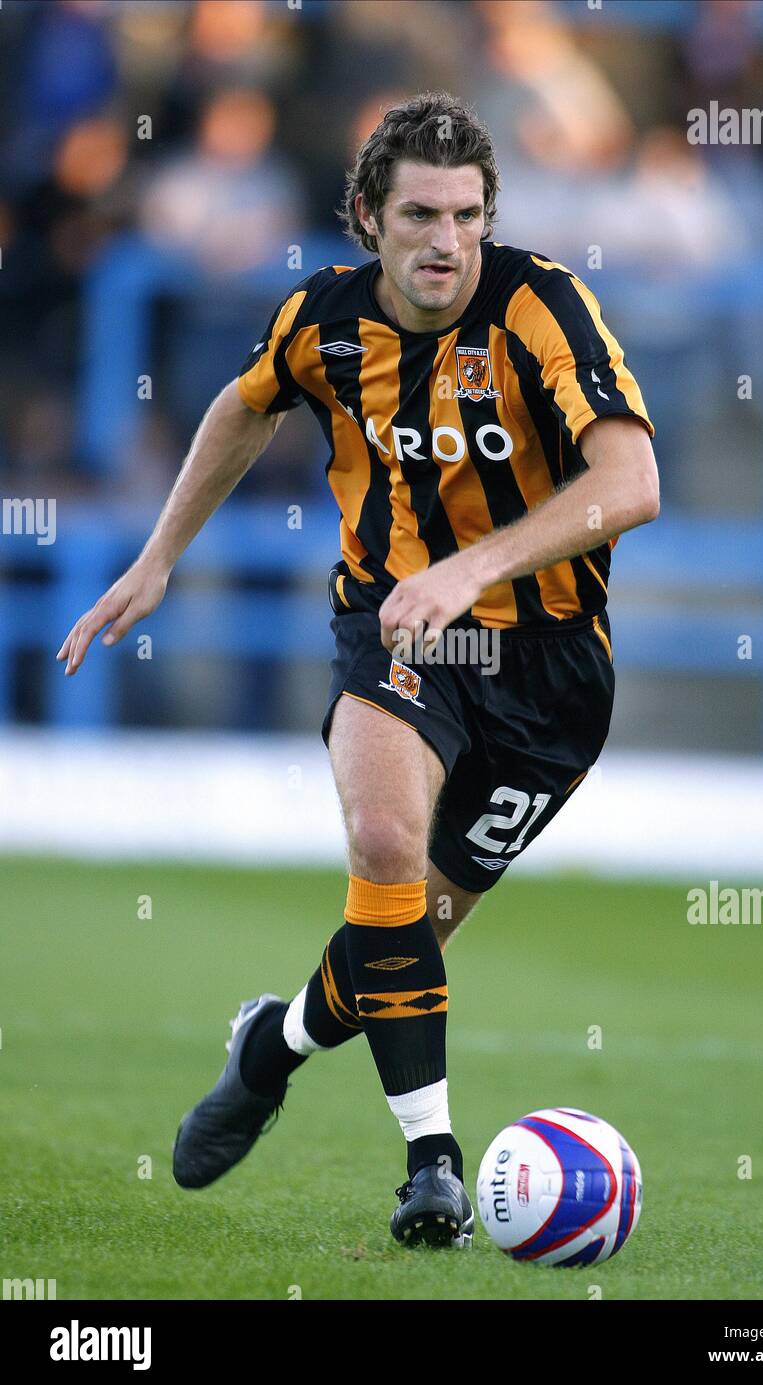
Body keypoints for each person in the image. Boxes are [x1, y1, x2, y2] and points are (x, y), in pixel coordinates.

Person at [57, 91, 658, 1249]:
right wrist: (157, 558)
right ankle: (431, 1163)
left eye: (469, 215)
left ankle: (267, 1046)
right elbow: (243, 409)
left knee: (404, 939)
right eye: (422, 214)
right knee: (383, 849)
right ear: (366, 218)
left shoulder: (542, 308)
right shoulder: (321, 321)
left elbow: (629, 484)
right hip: (396, 632)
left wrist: (472, 567)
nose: (448, 241)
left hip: (551, 676)